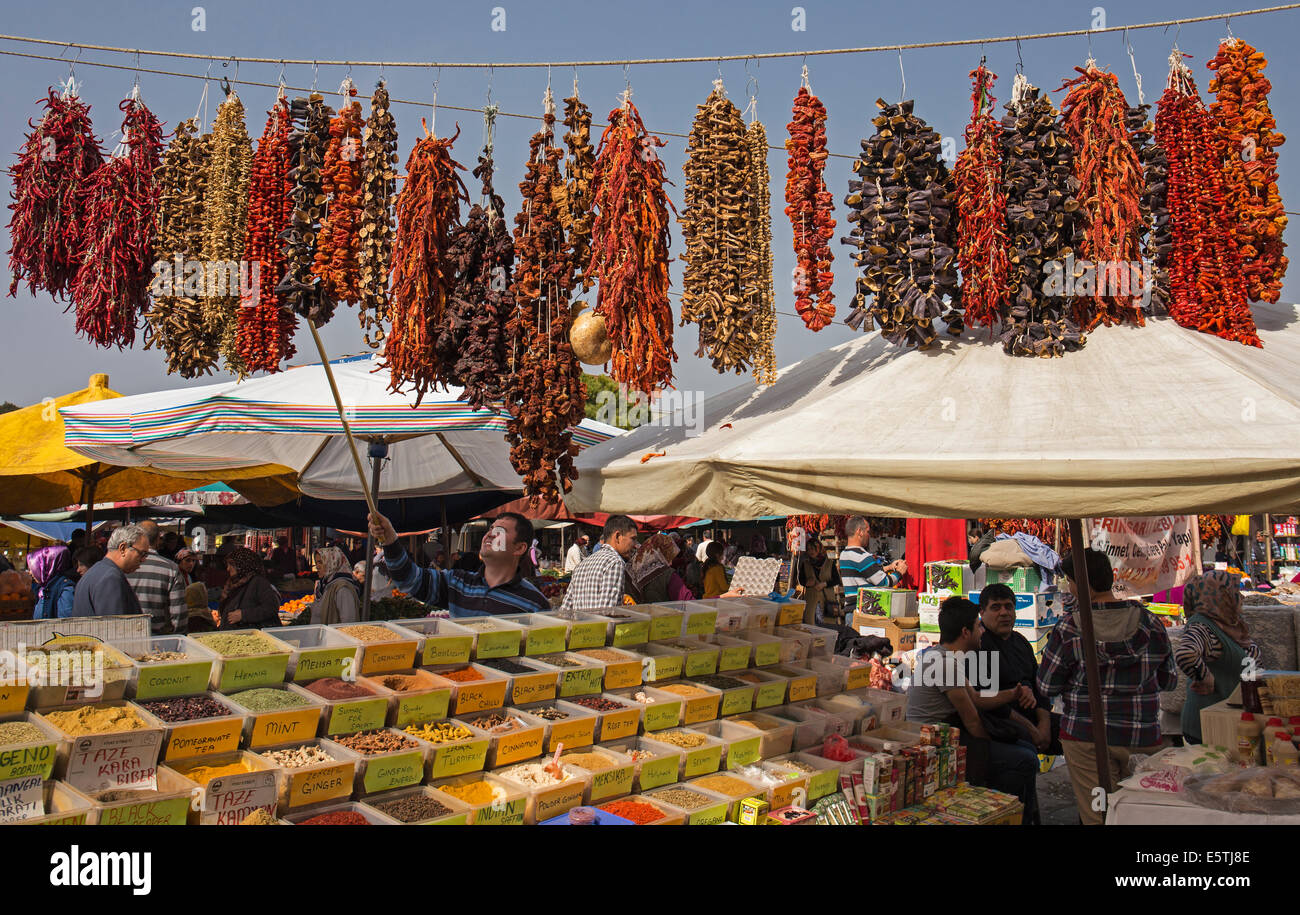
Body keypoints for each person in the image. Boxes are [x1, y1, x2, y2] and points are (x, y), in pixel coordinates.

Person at [1037, 548, 1177, 825]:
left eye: (1070, 581)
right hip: (1141, 736)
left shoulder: (1069, 628)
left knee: (1098, 815)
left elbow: (1046, 685)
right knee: (1137, 815)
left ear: (1080, 584)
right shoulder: (1151, 623)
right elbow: (1168, 680)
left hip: (1086, 737)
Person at [906, 596, 1041, 824]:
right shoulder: (943, 662)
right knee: (1024, 759)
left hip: (952, 735)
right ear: (965, 632)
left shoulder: (947, 656)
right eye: (978, 626)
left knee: (1025, 746)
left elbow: (976, 698)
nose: (982, 631)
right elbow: (973, 721)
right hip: (935, 747)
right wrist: (991, 749)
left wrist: (1012, 694)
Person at [369, 510, 548, 617]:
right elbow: (408, 580)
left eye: (500, 531)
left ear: (519, 548)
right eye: (491, 528)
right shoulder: (457, 583)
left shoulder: (535, 604)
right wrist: (391, 539)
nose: (491, 534)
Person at [1176, 570, 1260, 744]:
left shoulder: (1229, 626)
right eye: (1234, 592)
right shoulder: (1202, 626)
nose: (1241, 598)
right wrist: (1206, 679)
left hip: (1235, 724)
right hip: (1210, 729)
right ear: (1221, 596)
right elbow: (1186, 653)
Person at [978, 583, 1059, 757]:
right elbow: (987, 701)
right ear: (982, 613)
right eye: (995, 607)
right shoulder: (980, 645)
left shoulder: (1021, 642)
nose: (1004, 613)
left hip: (1033, 715)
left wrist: (1044, 725)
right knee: (1026, 753)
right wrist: (1032, 730)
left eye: (1009, 607)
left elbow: (1040, 688)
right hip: (1001, 721)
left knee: (1076, 731)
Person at [560, 515, 638, 613]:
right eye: (633, 538)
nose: (635, 544)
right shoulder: (615, 562)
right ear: (617, 536)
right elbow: (607, 613)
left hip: (579, 627)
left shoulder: (583, 564)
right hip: (598, 627)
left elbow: (565, 610)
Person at [72, 524, 149, 618]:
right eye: (142, 553)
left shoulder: (99, 572)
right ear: (123, 548)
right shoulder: (110, 578)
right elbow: (114, 627)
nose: (143, 559)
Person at [838, 516, 907, 620]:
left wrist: (889, 567)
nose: (868, 535)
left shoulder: (844, 554)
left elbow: (863, 573)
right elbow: (884, 582)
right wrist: (899, 573)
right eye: (867, 531)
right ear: (860, 532)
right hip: (863, 614)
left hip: (851, 613)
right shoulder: (861, 556)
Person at [127, 520, 188, 635]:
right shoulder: (171, 569)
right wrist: (178, 638)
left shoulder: (124, 565)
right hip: (158, 641)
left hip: (125, 637)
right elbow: (179, 613)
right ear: (157, 540)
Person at [217, 546, 282, 629]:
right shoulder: (233, 583)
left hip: (253, 635)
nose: (228, 569)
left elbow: (271, 608)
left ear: (243, 565)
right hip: (234, 635)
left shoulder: (258, 582)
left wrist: (243, 615)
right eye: (228, 565)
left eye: (232, 565)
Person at [626, 533, 693, 603]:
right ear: (659, 553)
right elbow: (688, 601)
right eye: (667, 556)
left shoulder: (629, 571)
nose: (671, 563)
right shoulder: (667, 574)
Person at [306, 546, 360, 625]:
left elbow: (349, 622)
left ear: (331, 562)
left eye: (321, 562)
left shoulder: (342, 588)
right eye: (316, 562)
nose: (317, 567)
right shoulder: (323, 586)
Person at [797, 538, 840, 624]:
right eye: (808, 549)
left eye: (813, 549)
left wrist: (825, 584)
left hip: (827, 599)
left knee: (828, 625)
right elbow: (801, 580)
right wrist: (807, 583)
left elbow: (836, 580)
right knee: (811, 625)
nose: (811, 551)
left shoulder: (830, 563)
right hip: (811, 600)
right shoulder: (805, 564)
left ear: (819, 549)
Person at [30, 544, 77, 619]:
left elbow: (66, 624)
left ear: (46, 567)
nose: (30, 573)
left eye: (33, 569)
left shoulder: (65, 590)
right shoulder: (42, 589)